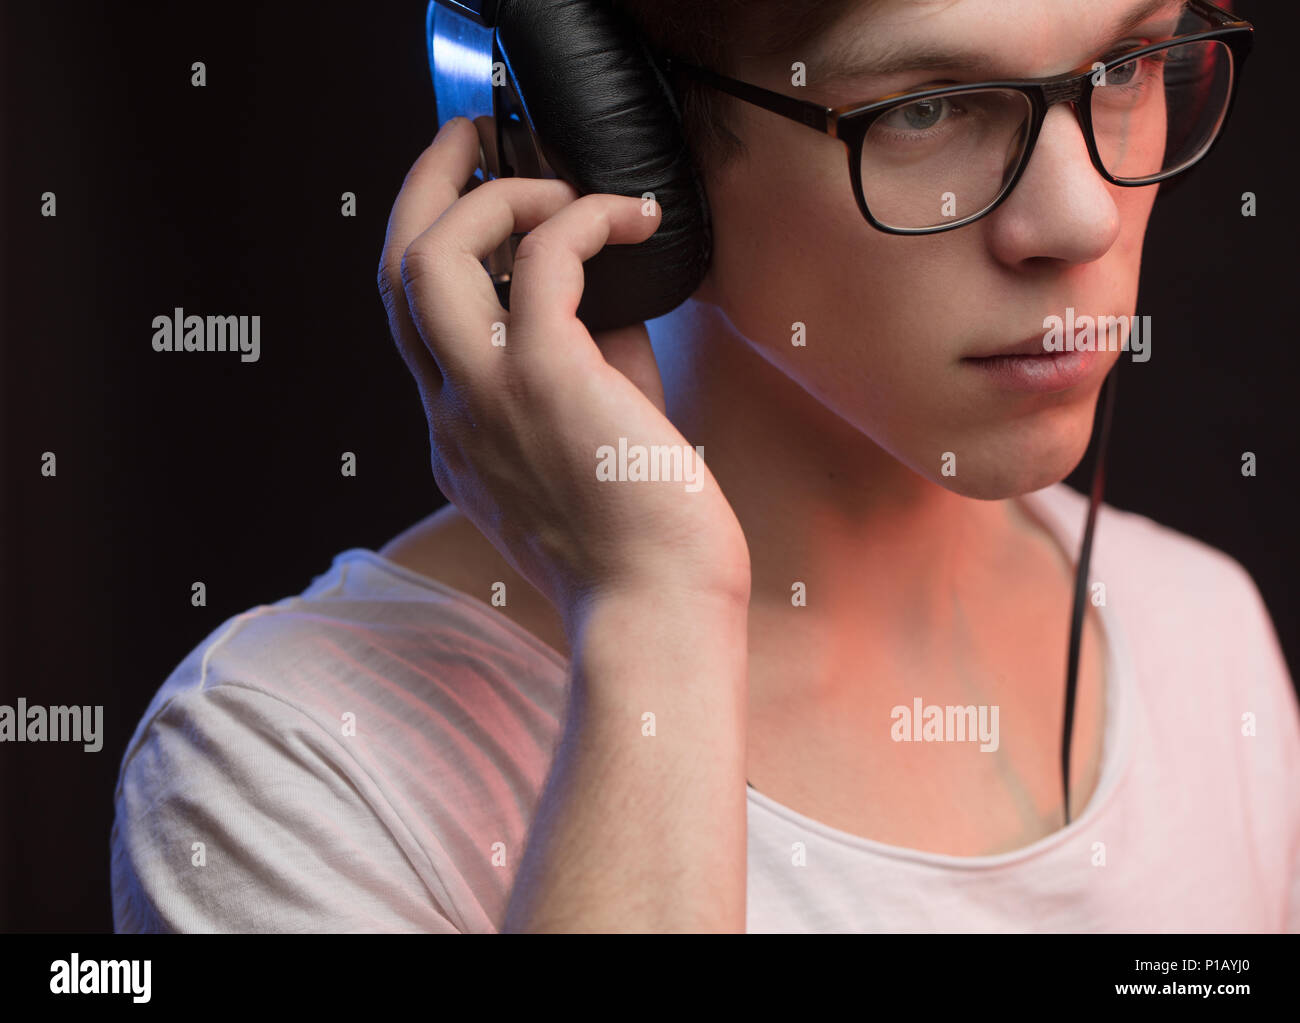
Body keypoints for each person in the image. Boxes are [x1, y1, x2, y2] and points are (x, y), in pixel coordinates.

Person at [111, 0, 1298, 933]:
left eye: (1126, 65)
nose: (1081, 219)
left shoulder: (1197, 628)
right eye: (928, 110)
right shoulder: (287, 767)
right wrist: (652, 620)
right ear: (610, 141)